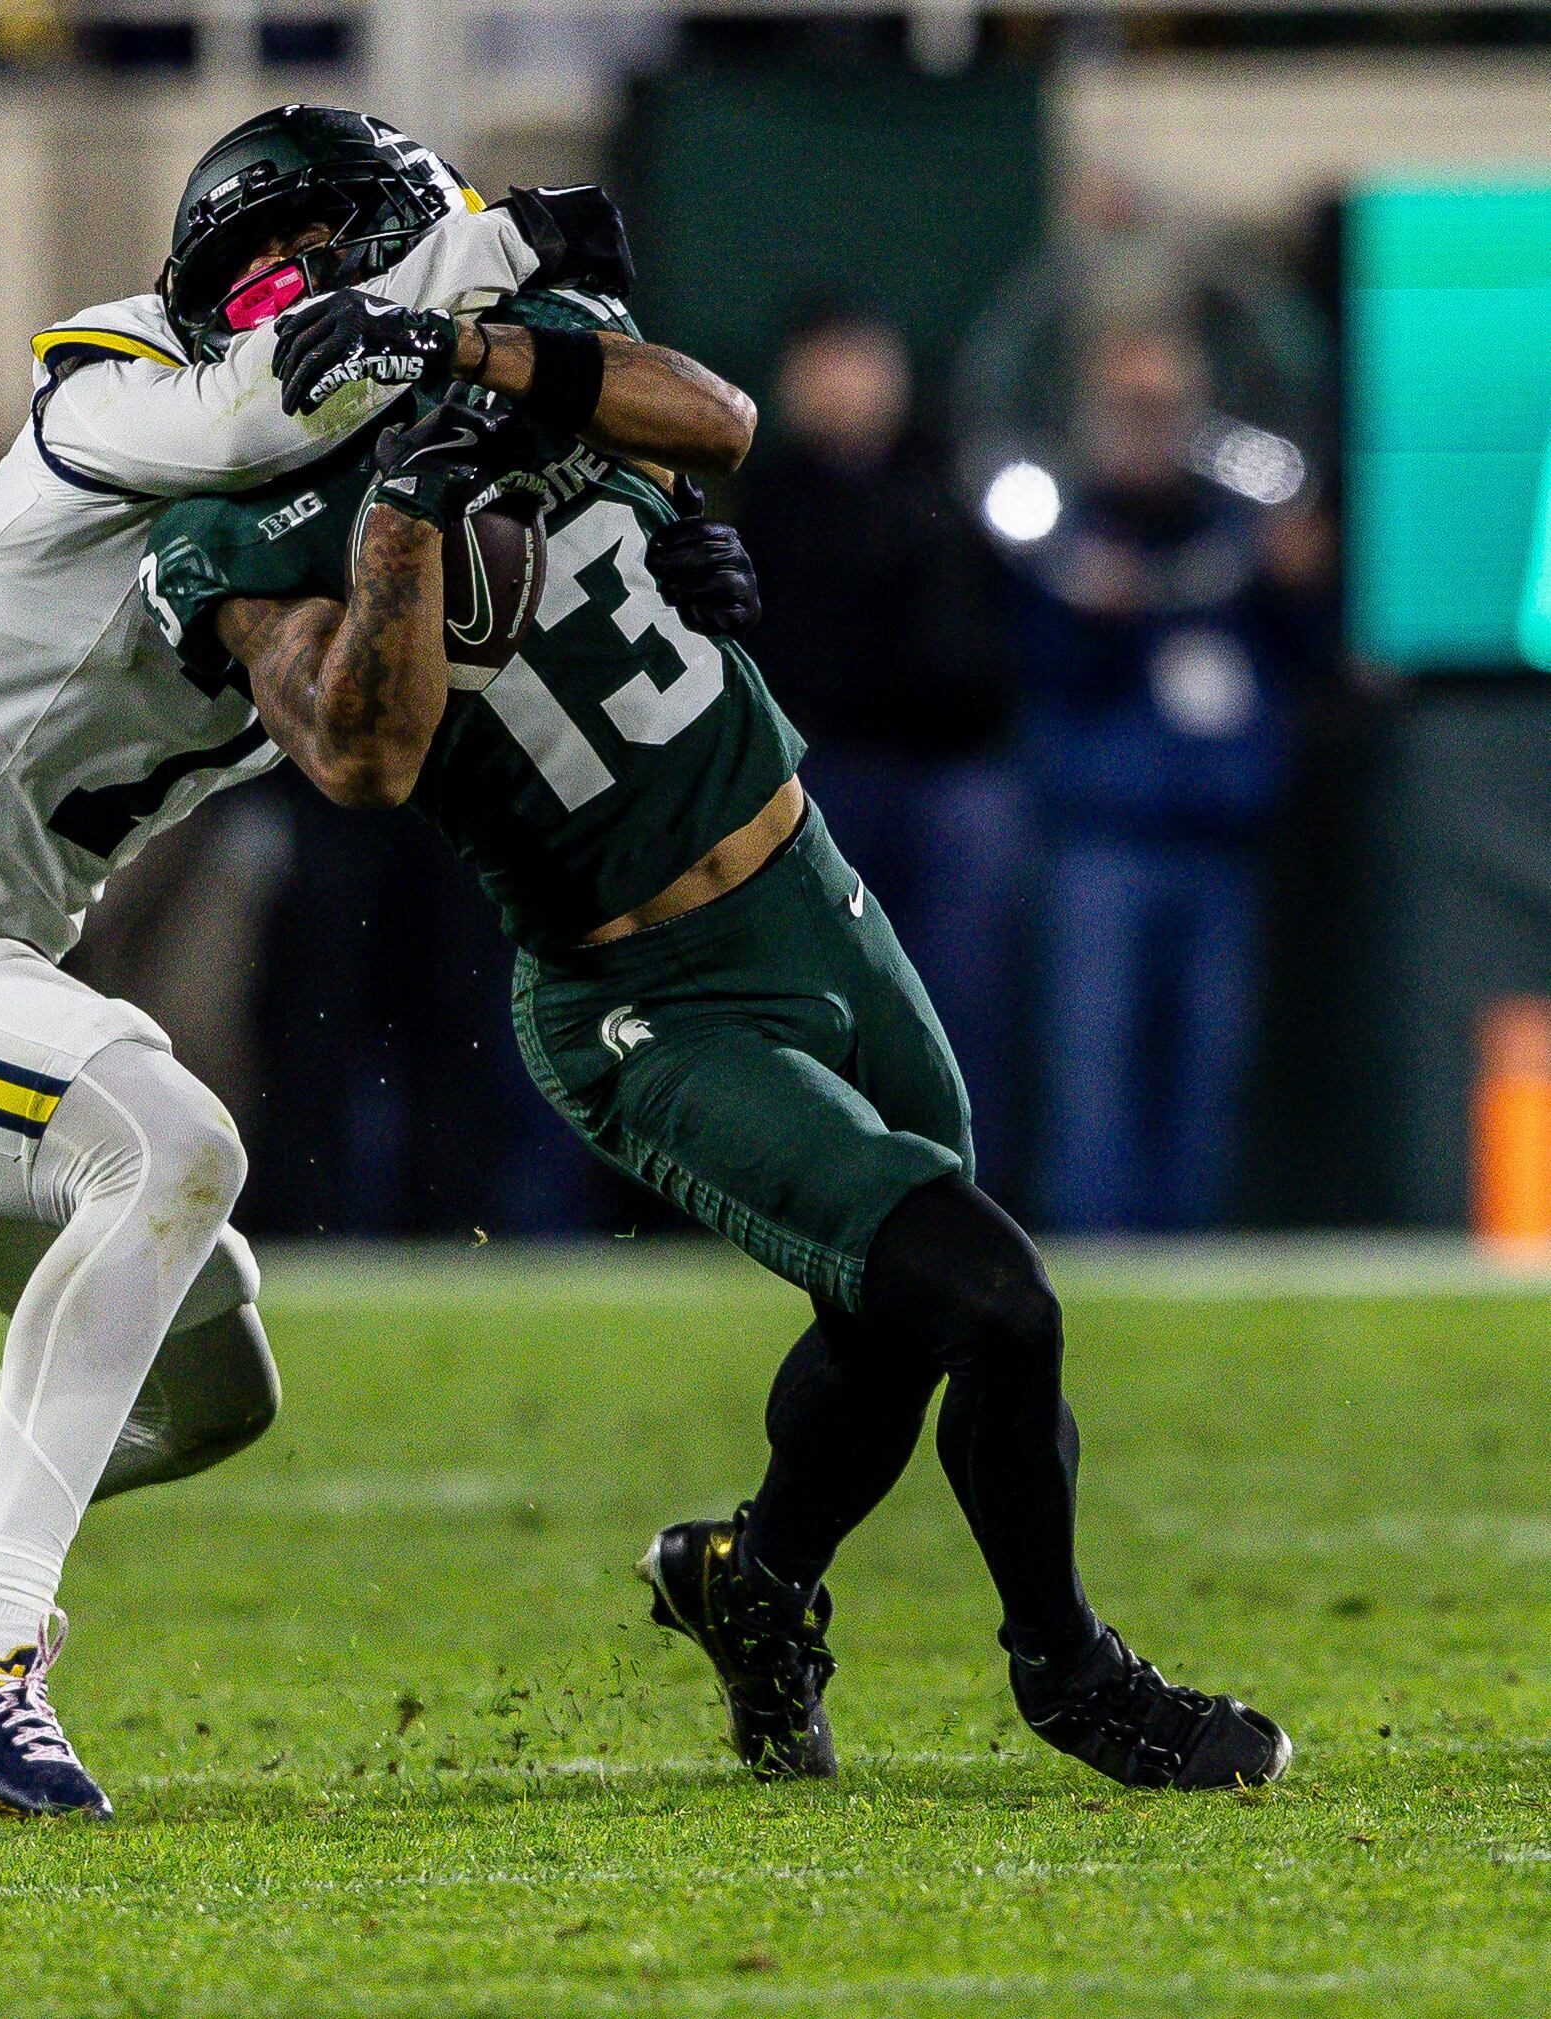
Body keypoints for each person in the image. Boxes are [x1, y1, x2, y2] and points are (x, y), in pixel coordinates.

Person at [0, 104, 685, 1820]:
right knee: (171, 1144)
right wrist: (482, 256)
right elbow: (269, 394)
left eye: (301, 265)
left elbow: (388, 697)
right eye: (244, 278)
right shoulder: (117, 384)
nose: (274, 302)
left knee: (204, 1385)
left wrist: (630, 503)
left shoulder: (328, 481)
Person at [137, 265, 1292, 1795]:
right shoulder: (225, 524)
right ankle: (1067, 1667)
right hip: (645, 988)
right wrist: (406, 508)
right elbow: (364, 753)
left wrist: (625, 490)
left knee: (897, 1308)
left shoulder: (483, 354)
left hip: (810, 889)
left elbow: (714, 422)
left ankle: (755, 1576)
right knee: (994, 1300)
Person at [1011, 322, 1310, 1232]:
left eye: (1167, 405)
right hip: (1104, 837)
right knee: (1094, 1065)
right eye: (1131, 407)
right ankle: (1092, 1262)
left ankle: (1190, 1255)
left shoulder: (1241, 528)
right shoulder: (1059, 522)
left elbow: (1301, 664)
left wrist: (1298, 583)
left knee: (1207, 1064)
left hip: (1220, 838)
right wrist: (1091, 608)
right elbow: (1034, 668)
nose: (1151, 427)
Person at [732, 305, 1024, 1186]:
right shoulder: (761, 496)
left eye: (860, 362)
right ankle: (828, 1187)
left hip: (953, 773)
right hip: (824, 779)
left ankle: (964, 1189)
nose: (845, 385)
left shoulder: (963, 475)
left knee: (958, 996)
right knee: (823, 999)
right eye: (824, 366)